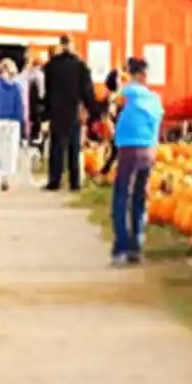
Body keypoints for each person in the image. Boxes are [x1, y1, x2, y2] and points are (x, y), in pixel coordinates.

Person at [109, 57, 164, 267]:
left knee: (122, 195)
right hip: (148, 149)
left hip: (128, 148)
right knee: (140, 196)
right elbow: (157, 124)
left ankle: (121, 245)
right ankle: (136, 243)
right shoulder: (154, 100)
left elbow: (111, 115)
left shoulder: (124, 97)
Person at [41, 35, 100, 192]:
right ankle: (74, 182)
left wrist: (44, 115)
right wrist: (95, 112)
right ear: (72, 45)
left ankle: (54, 180)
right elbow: (87, 91)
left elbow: (46, 92)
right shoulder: (80, 66)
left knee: (57, 147)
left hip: (56, 111)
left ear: (61, 45)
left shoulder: (51, 66)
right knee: (74, 147)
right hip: (73, 110)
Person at [0, 58, 28, 191]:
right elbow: (20, 108)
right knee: (9, 151)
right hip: (12, 122)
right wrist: (23, 126)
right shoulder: (17, 87)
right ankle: (4, 178)